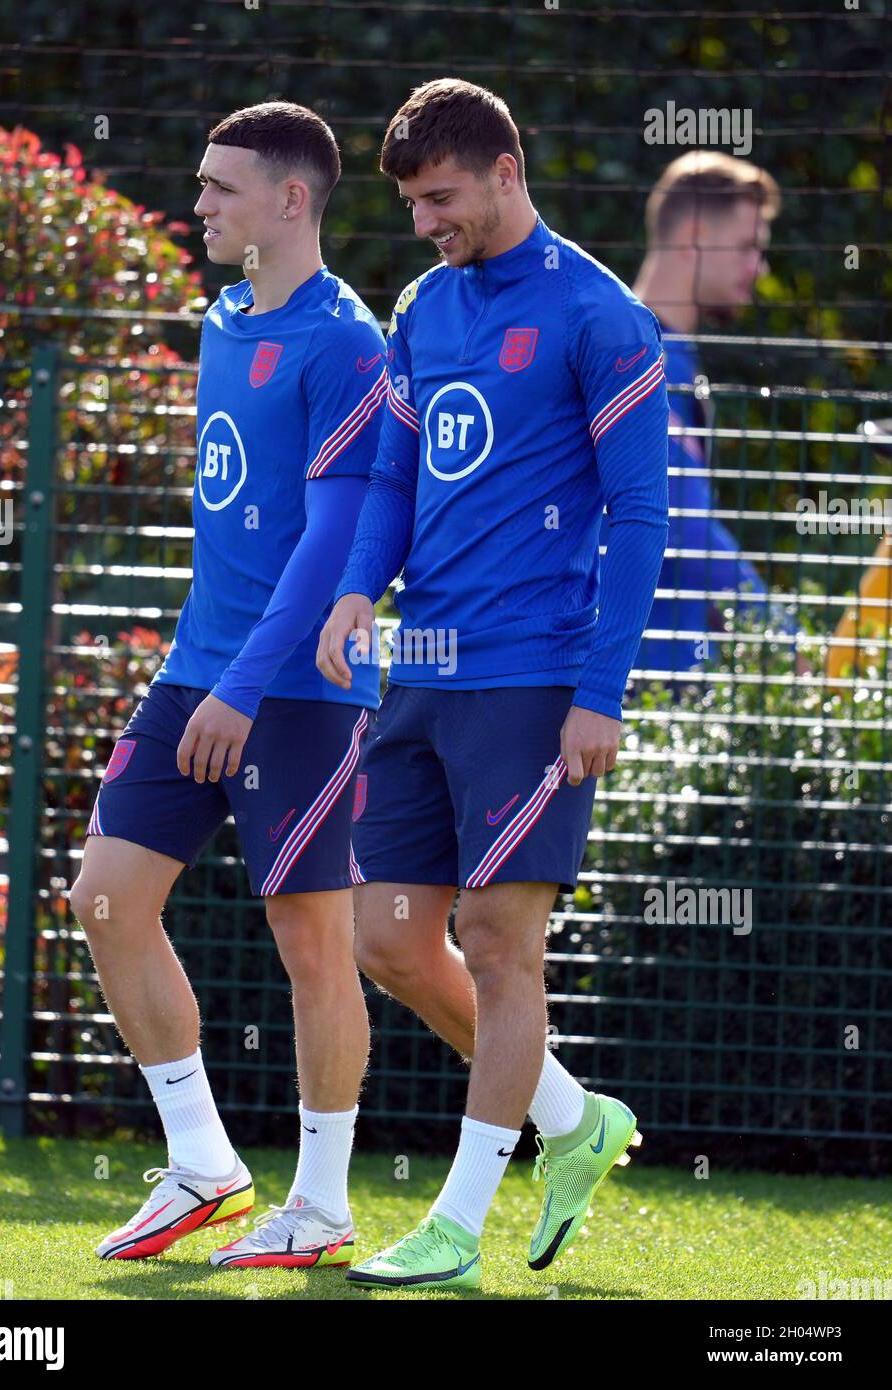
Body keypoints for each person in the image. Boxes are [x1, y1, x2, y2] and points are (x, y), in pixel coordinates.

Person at [316, 78, 668, 1290]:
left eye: (442, 197)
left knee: (495, 936)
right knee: (390, 940)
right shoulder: (421, 307)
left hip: (534, 677)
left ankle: (458, 1226)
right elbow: (392, 483)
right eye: (413, 202)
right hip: (418, 664)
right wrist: (361, 588)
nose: (425, 221)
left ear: (506, 172)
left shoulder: (600, 317)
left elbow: (640, 513)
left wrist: (602, 689)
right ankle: (575, 1121)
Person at [69, 102, 385, 1269]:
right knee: (104, 897)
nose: (197, 202)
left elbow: (333, 541)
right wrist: (210, 675)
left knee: (312, 946)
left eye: (219, 187)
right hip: (198, 671)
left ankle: (323, 1203)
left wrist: (246, 687)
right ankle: (204, 1164)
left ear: (291, 200)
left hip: (299, 689)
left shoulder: (349, 341)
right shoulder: (219, 318)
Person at [608, 151, 795, 678]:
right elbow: (685, 527)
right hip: (629, 693)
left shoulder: (658, 352)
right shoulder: (635, 359)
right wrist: (791, 644)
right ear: (693, 234)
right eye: (748, 246)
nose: (758, 267)